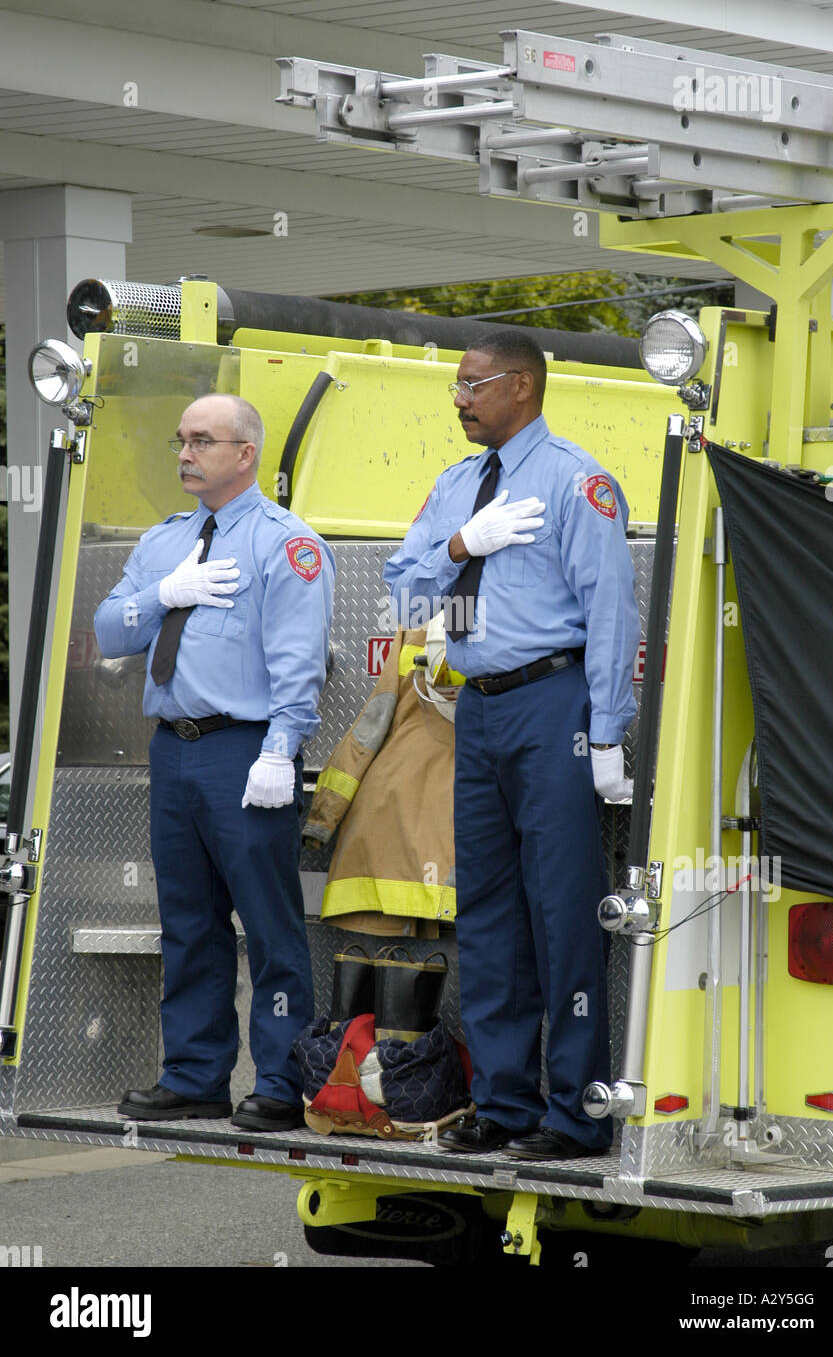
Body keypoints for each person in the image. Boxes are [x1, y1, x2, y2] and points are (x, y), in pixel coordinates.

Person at [382, 330, 640, 1161]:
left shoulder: (576, 481)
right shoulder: (459, 486)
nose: (459, 399)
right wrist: (462, 544)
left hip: (550, 700)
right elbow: (402, 590)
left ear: (521, 386)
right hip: (479, 708)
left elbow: (609, 613)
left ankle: (575, 1115)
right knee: (487, 911)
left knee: (563, 911)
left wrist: (607, 731)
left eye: (473, 385)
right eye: (457, 386)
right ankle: (504, 1104)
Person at [94, 393, 334, 1132]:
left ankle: (280, 1083)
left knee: (269, 927)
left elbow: (299, 663)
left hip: (244, 751)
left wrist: (279, 750)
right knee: (189, 923)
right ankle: (196, 1075)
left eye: (202, 441)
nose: (185, 454)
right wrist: (162, 595)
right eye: (180, 440)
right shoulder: (164, 543)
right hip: (174, 750)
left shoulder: (283, 543)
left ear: (245, 453)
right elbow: (107, 630)